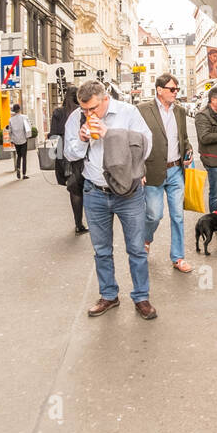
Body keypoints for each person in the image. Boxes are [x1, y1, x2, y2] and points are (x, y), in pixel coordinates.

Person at [64, 79, 158, 319]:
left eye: (92, 108)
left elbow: (145, 146)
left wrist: (111, 135)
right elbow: (68, 153)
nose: (87, 114)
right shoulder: (76, 117)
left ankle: (141, 297)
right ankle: (108, 295)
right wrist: (82, 140)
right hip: (94, 192)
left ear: (105, 99)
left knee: (136, 249)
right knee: (101, 250)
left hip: (128, 192)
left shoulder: (128, 112)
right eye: (84, 109)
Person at [139, 73, 194, 273]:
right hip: (153, 170)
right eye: (172, 89)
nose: (175, 92)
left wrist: (188, 150)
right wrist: (138, 168)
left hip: (176, 170)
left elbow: (184, 137)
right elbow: (135, 140)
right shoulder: (143, 110)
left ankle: (178, 257)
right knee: (154, 215)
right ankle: (146, 239)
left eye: (177, 89)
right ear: (159, 90)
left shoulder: (179, 111)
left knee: (178, 216)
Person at [51, 86, 87, 234]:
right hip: (82, 154)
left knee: (74, 191)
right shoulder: (82, 112)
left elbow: (53, 136)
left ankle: (78, 223)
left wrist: (57, 157)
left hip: (65, 156)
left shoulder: (59, 112)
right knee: (88, 187)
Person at [7, 104, 32, 179]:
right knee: (24, 156)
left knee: (19, 155)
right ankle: (24, 174)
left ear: (14, 111)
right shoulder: (24, 117)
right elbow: (28, 127)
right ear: (19, 109)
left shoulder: (11, 119)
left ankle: (18, 168)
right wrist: (28, 136)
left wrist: (11, 140)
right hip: (23, 139)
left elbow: (10, 131)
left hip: (15, 140)